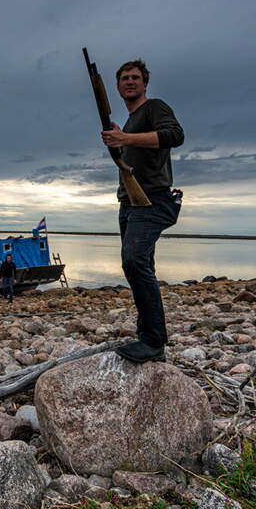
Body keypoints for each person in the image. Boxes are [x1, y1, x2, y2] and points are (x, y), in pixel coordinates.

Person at [101, 59, 184, 363]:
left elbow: (175, 135)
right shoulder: (133, 120)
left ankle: (152, 341)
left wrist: (124, 138)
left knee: (134, 260)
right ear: (118, 86)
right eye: (125, 78)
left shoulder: (154, 108)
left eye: (136, 77)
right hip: (130, 203)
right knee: (138, 265)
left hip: (152, 201)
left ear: (145, 83)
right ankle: (147, 335)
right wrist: (120, 138)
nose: (130, 81)